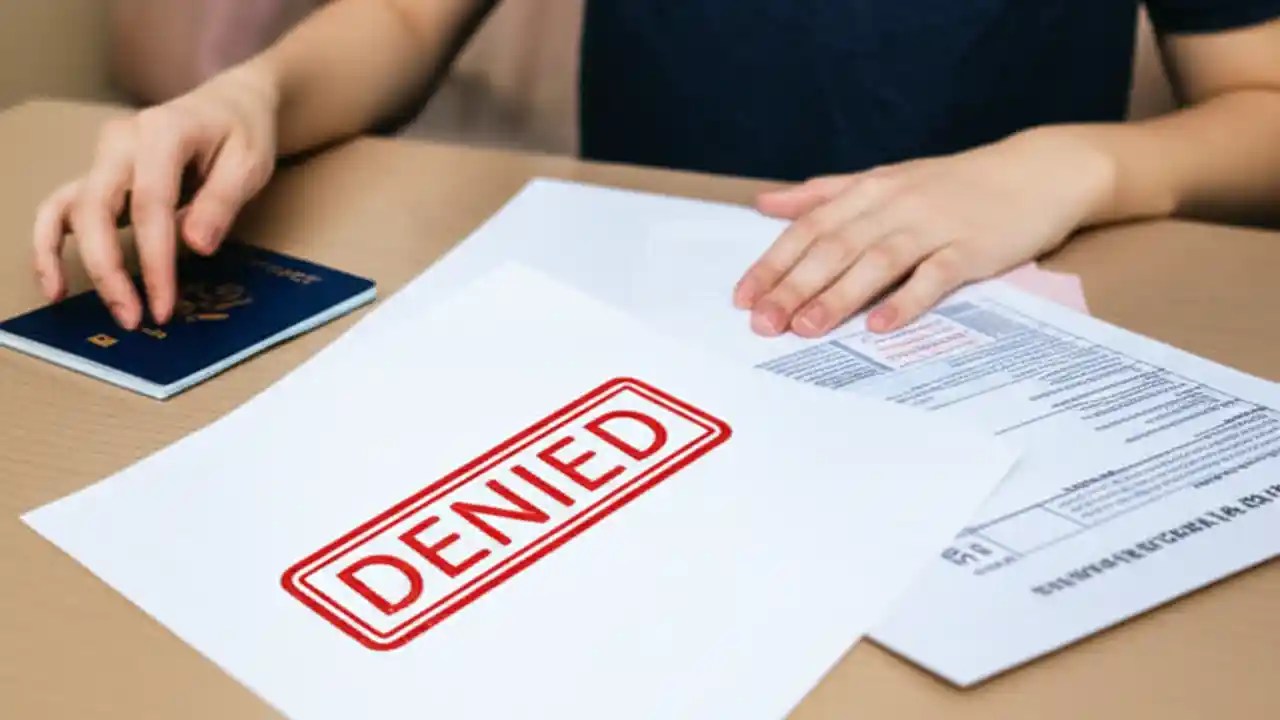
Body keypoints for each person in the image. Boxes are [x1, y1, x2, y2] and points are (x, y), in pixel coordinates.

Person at [33, 1, 1280, 338]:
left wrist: (1069, 166)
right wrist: (251, 90)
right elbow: (405, 21)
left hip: (975, 320)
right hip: (648, 315)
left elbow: (1258, 107)